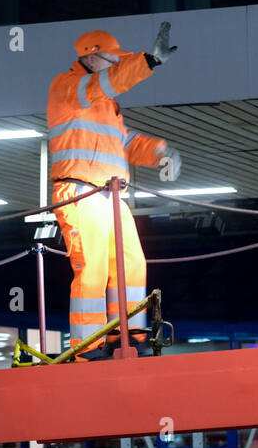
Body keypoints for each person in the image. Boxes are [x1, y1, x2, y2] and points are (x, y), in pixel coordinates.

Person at [47, 23, 181, 357]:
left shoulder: (106, 104)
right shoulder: (69, 86)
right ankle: (87, 346)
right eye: (112, 59)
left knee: (131, 264)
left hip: (109, 194)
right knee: (91, 266)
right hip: (80, 191)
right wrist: (148, 61)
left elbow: (125, 142)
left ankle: (129, 336)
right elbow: (109, 83)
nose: (115, 65)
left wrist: (160, 150)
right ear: (91, 58)